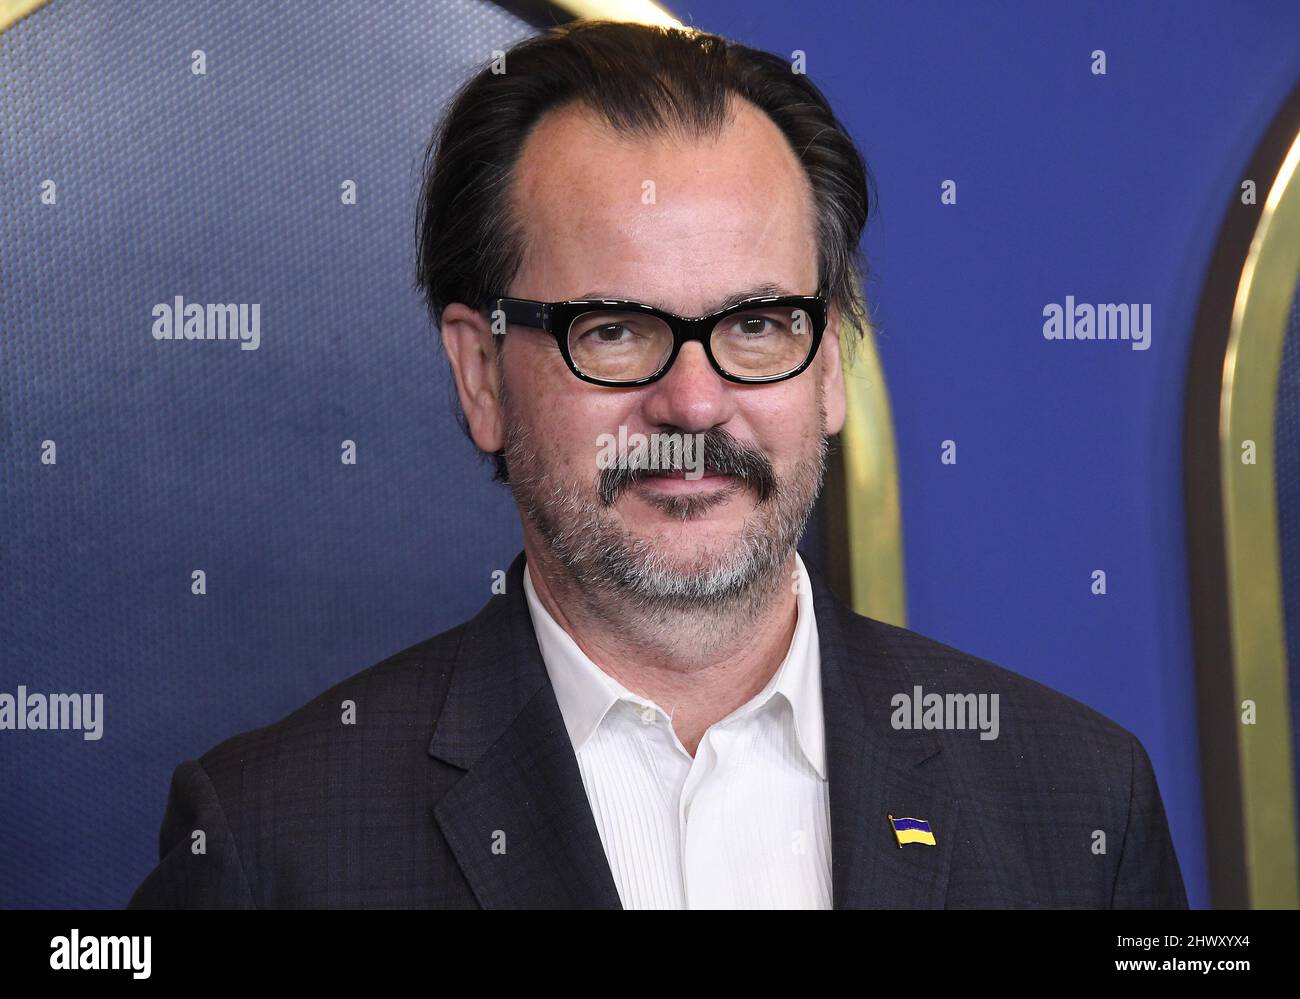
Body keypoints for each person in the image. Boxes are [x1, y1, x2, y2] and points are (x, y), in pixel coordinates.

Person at [128, 19, 1186, 909]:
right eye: (615, 330)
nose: (693, 402)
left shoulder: (1081, 802)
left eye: (758, 324)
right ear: (482, 375)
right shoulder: (272, 845)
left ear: (830, 367)